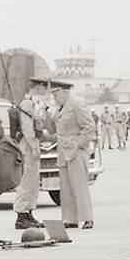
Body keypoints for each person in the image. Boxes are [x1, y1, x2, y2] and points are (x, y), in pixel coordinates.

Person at [51, 80, 96, 228]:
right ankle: (70, 219)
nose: (54, 98)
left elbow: (89, 127)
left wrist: (78, 144)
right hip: (63, 152)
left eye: (56, 94)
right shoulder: (59, 108)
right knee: (66, 188)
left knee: (79, 186)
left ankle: (87, 218)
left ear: (65, 91)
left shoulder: (76, 104)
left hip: (76, 152)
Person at [13, 75, 51, 231]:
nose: (45, 90)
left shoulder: (32, 102)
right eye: (44, 87)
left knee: (33, 181)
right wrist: (35, 148)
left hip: (32, 145)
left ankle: (29, 213)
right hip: (27, 147)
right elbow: (28, 129)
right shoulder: (27, 103)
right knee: (27, 180)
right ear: (39, 86)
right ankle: (21, 215)